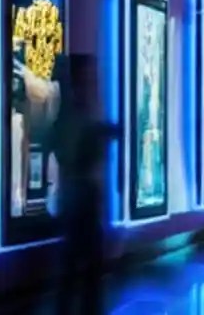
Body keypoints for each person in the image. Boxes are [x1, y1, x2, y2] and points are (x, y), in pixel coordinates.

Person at [51, 55, 119, 315]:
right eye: (89, 76)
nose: (94, 82)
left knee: (80, 265)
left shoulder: (76, 113)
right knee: (85, 265)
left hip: (79, 194)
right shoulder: (75, 114)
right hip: (79, 195)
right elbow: (71, 152)